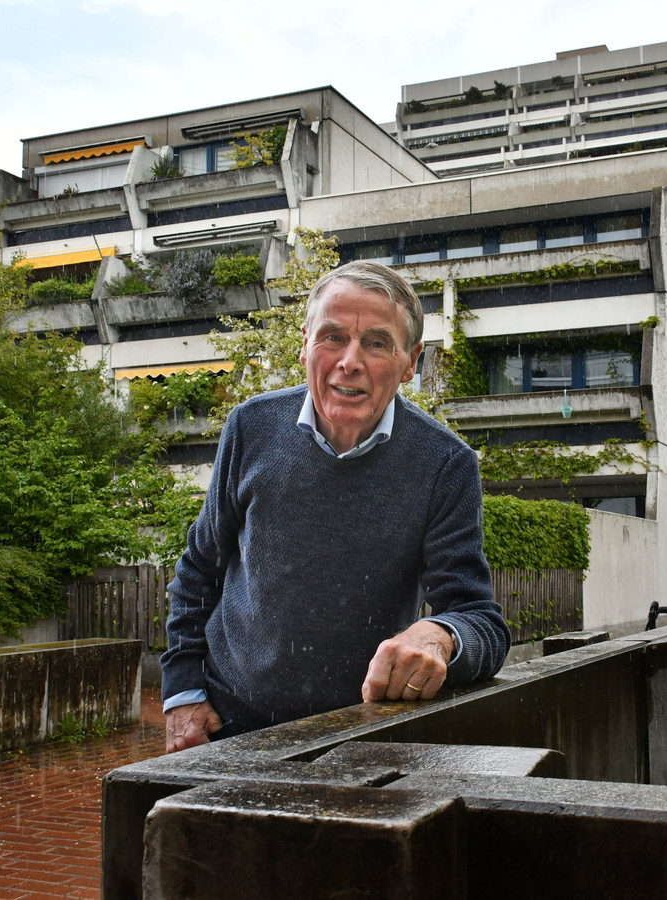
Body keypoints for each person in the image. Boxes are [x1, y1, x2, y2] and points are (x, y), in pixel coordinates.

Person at [161, 259, 510, 751]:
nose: (350, 361)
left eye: (376, 343)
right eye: (332, 337)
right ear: (305, 344)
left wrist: (440, 636)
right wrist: (181, 691)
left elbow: (480, 619)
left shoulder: (444, 465)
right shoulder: (250, 428)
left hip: (359, 737)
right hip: (229, 726)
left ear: (411, 361)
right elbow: (198, 570)